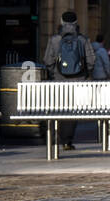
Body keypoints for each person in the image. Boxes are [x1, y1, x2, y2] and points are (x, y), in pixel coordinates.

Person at [41, 10, 96, 150]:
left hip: (59, 80)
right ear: (76, 23)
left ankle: (54, 138)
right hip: (78, 82)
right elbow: (91, 60)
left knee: (58, 109)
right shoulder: (83, 40)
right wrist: (83, 74)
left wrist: (55, 73)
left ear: (61, 22)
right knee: (71, 111)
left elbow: (48, 60)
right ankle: (67, 141)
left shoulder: (54, 39)